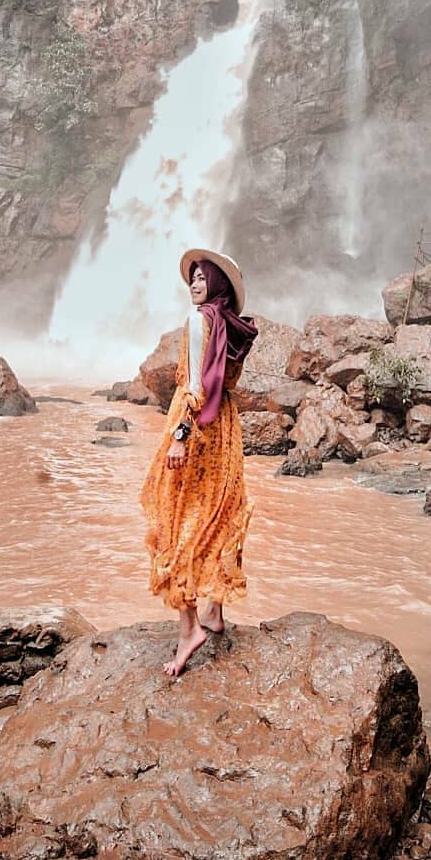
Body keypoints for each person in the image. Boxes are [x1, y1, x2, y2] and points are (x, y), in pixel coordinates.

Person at [140, 249, 259, 676]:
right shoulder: (230, 325)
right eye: (192, 277)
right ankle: (215, 611)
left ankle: (189, 630)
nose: (194, 283)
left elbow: (195, 385)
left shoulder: (198, 320)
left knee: (178, 518)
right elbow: (219, 383)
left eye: (202, 277)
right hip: (224, 425)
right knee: (219, 511)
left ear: (217, 283)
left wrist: (179, 437)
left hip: (194, 425)